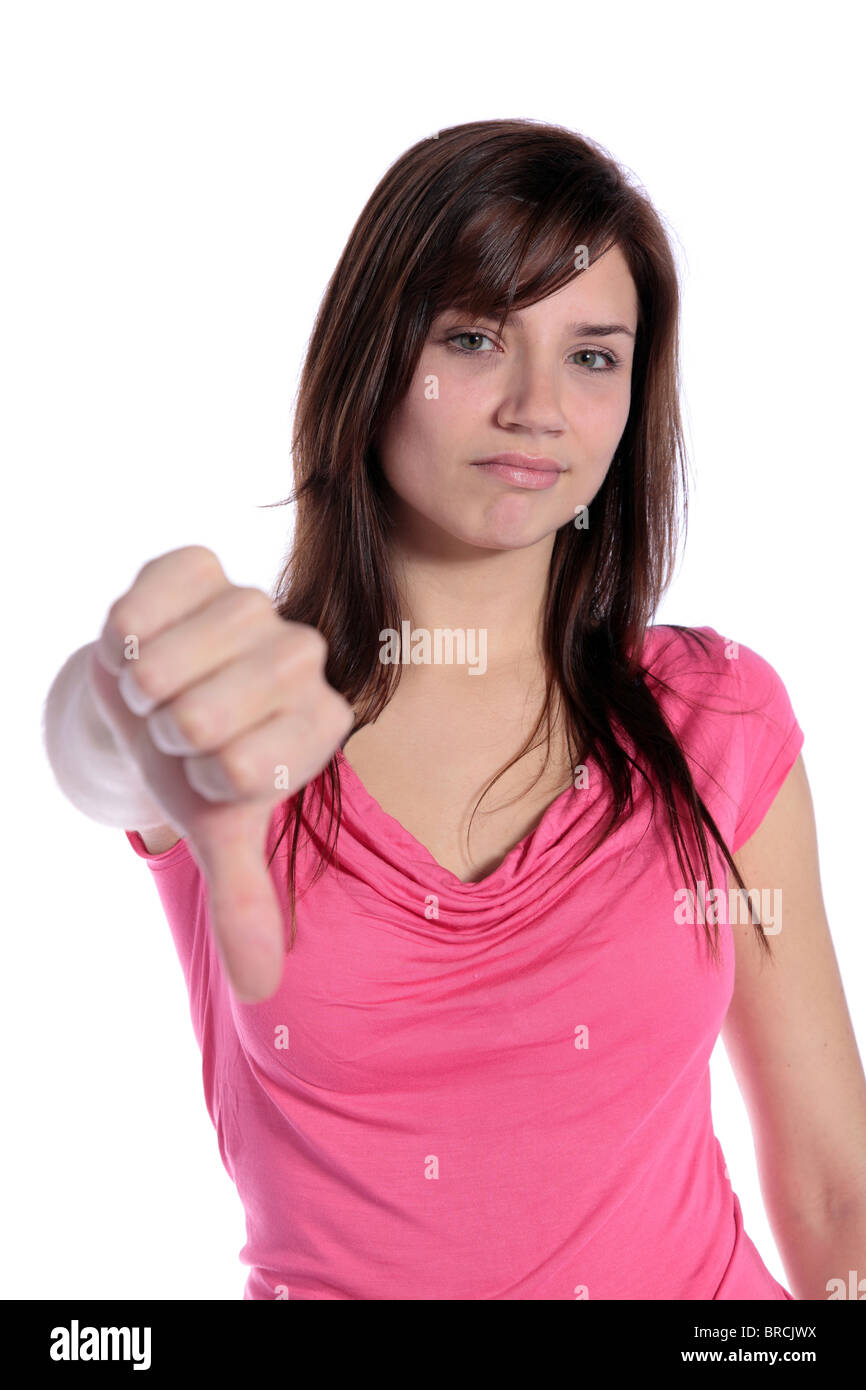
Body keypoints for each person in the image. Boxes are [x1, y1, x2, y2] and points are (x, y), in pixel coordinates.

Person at [42, 118, 866, 1301]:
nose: (536, 407)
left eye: (591, 356)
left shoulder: (713, 718)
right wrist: (118, 688)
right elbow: (99, 753)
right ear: (374, 360)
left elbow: (835, 1190)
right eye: (475, 338)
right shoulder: (245, 723)